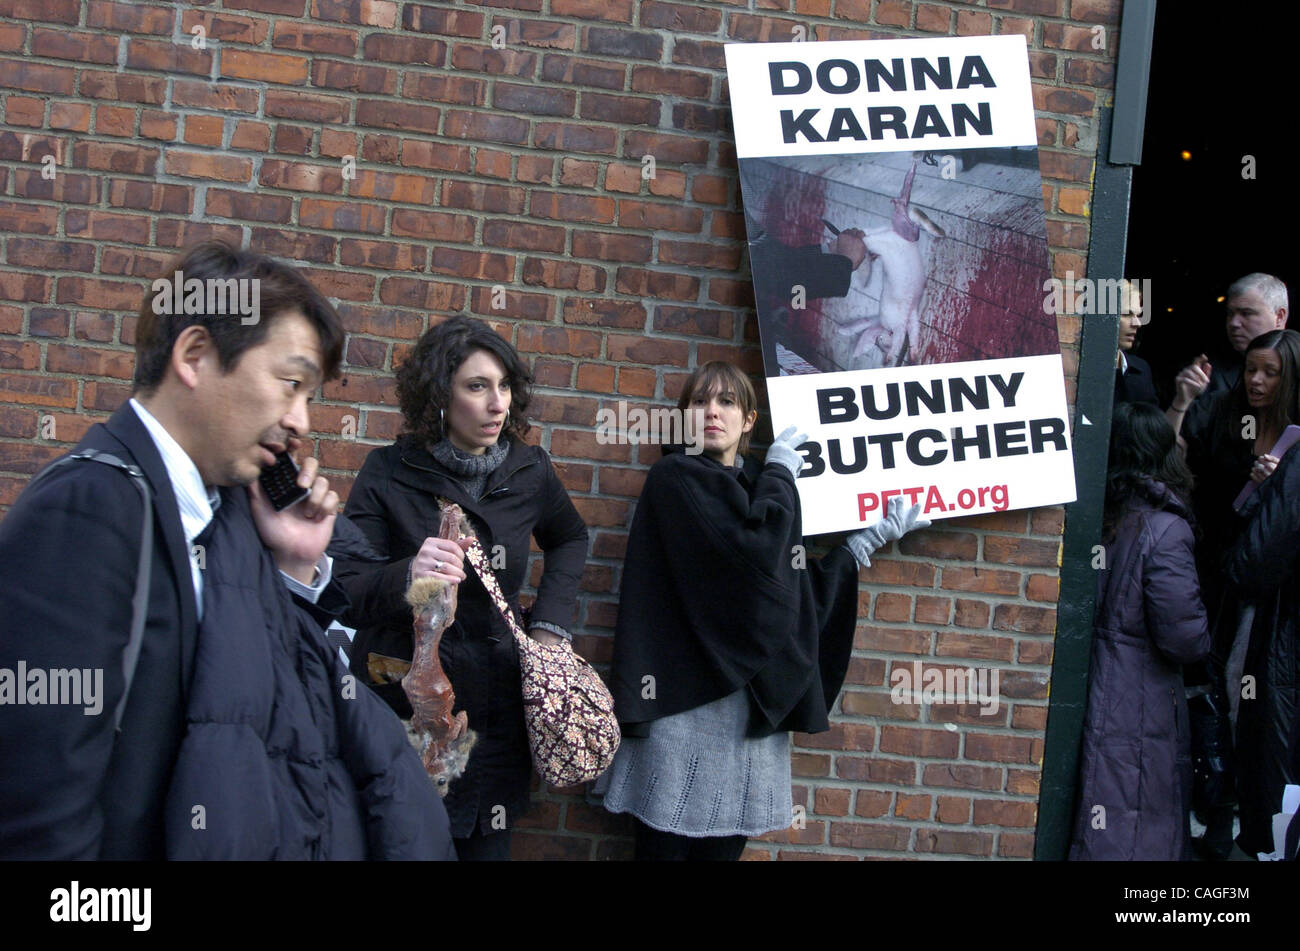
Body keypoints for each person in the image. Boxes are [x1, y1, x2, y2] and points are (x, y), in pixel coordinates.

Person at [0, 241, 454, 860]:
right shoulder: (89, 508)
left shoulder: (227, 510)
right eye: (290, 383)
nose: (301, 421)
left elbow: (274, 713)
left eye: (309, 395)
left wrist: (294, 566)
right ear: (194, 355)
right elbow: (38, 808)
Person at [596, 361, 927, 860]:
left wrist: (866, 541)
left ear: (749, 419)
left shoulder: (758, 488)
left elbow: (784, 593)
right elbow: (756, 554)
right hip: (682, 712)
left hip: (746, 719)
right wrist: (780, 472)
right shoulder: (676, 477)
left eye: (726, 402)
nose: (712, 412)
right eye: (699, 401)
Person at [336, 316, 588, 861]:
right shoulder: (387, 471)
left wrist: (549, 625)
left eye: (503, 386)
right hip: (403, 709)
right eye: (477, 387)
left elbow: (569, 537)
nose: (497, 403)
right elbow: (345, 586)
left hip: (493, 716)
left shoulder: (529, 470)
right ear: (439, 397)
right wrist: (408, 573)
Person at [1069, 402, 1210, 860]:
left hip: (1084, 685)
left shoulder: (1088, 516)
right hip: (1137, 698)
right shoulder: (1166, 529)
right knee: (1131, 821)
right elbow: (1183, 638)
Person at [1221, 332, 1300, 857]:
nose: (1256, 380)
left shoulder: (1296, 446)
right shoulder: (1228, 421)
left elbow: (1259, 556)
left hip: (1271, 608)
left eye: (1270, 371)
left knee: (1255, 708)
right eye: (1251, 368)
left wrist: (1273, 492)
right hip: (1228, 592)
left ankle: (1259, 834)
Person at [1167, 272, 1289, 437]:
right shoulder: (1205, 374)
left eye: (1246, 313)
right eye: (1231, 313)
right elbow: (1171, 447)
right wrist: (1182, 400)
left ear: (1279, 317)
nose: (1233, 323)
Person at [1113, 280, 1159, 406]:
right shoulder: (1080, 368)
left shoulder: (1141, 370)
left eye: (1138, 315)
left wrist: (1181, 401)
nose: (1137, 323)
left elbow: (1152, 425)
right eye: (1127, 314)